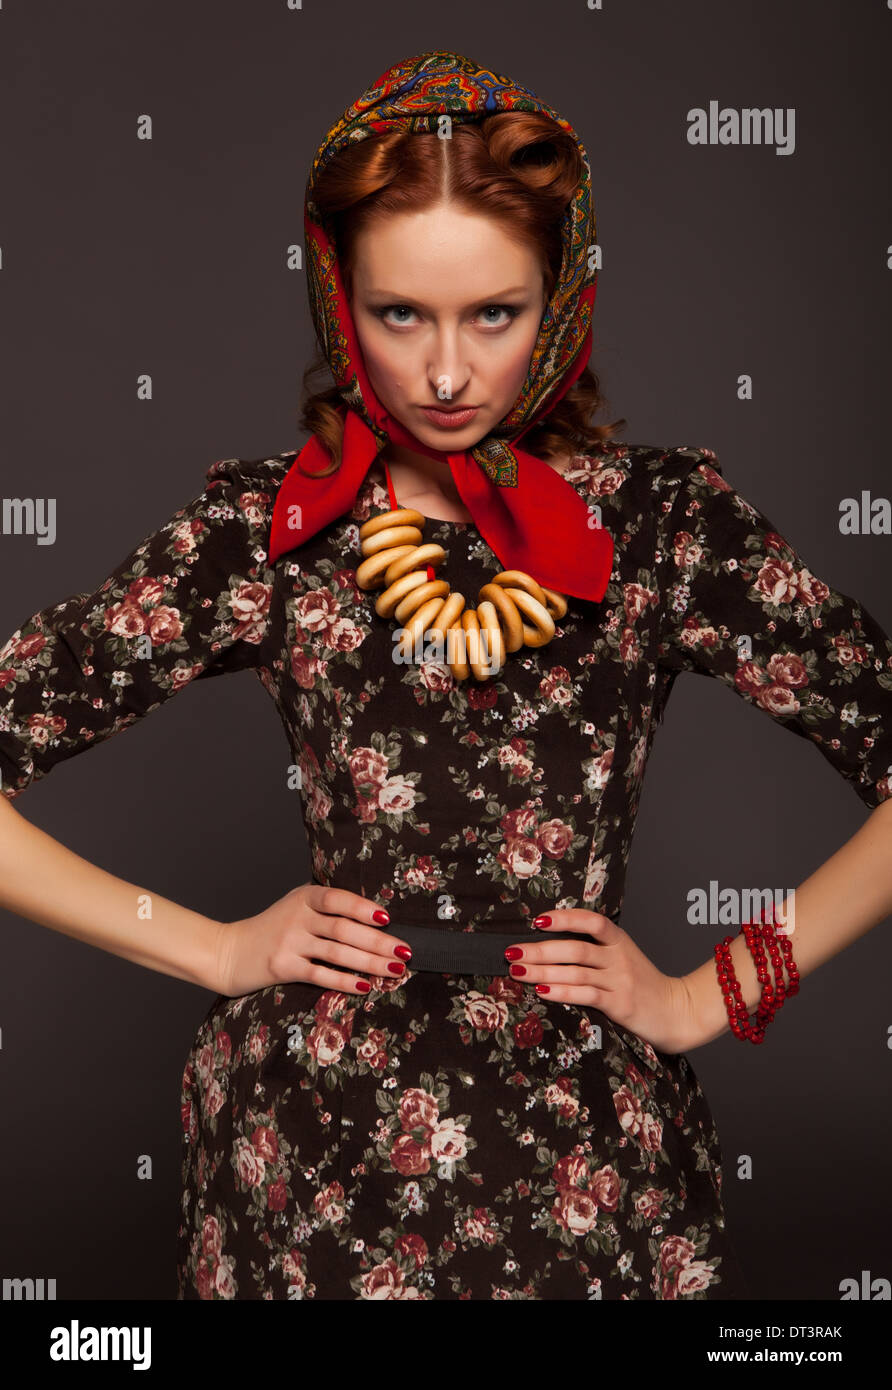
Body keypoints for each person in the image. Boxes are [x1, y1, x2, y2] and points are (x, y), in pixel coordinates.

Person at [2, 50, 891, 1302]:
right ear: (335, 296)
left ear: (563, 297)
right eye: (399, 312)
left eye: (494, 313)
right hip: (307, 1159)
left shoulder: (663, 525)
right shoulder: (275, 528)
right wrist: (207, 950)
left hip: (582, 1148)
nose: (443, 373)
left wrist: (708, 994)